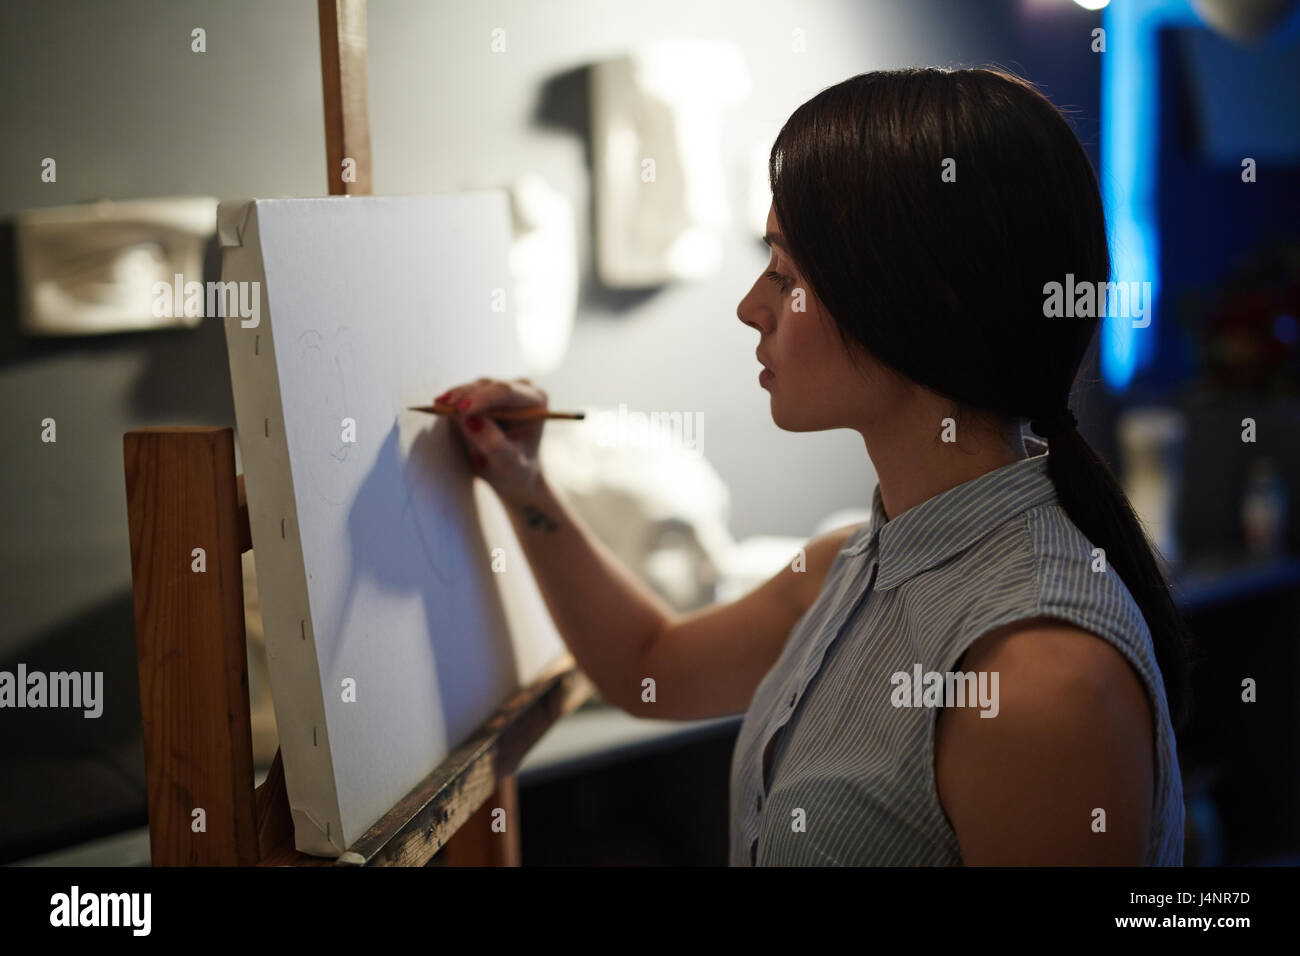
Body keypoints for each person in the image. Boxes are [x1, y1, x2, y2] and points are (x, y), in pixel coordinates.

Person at [437, 67, 1192, 866]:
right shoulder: (851, 564)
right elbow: (647, 667)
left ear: (909, 304)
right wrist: (522, 483)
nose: (750, 306)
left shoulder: (1040, 677)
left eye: (786, 276)